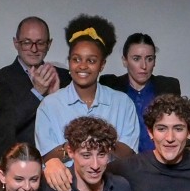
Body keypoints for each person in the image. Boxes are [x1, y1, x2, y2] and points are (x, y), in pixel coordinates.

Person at [35, 16, 142, 155]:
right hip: (68, 177)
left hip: (112, 176)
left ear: (102, 65)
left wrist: (78, 145)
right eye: (76, 59)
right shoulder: (49, 105)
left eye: (91, 60)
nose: (83, 66)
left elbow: (128, 151)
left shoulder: (122, 103)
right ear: (69, 62)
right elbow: (47, 155)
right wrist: (102, 143)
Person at [0, 16, 62, 164]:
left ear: (49, 44)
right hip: (19, 165)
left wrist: (55, 99)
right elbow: (4, 126)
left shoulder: (63, 76)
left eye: (40, 43)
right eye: (27, 42)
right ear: (16, 43)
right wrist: (37, 92)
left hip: (59, 163)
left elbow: (74, 128)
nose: (34, 49)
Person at [104, 33, 181, 154]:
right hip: (122, 163)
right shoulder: (111, 86)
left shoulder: (168, 86)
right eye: (136, 59)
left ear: (155, 61)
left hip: (159, 163)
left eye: (149, 59)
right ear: (125, 61)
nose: (144, 66)